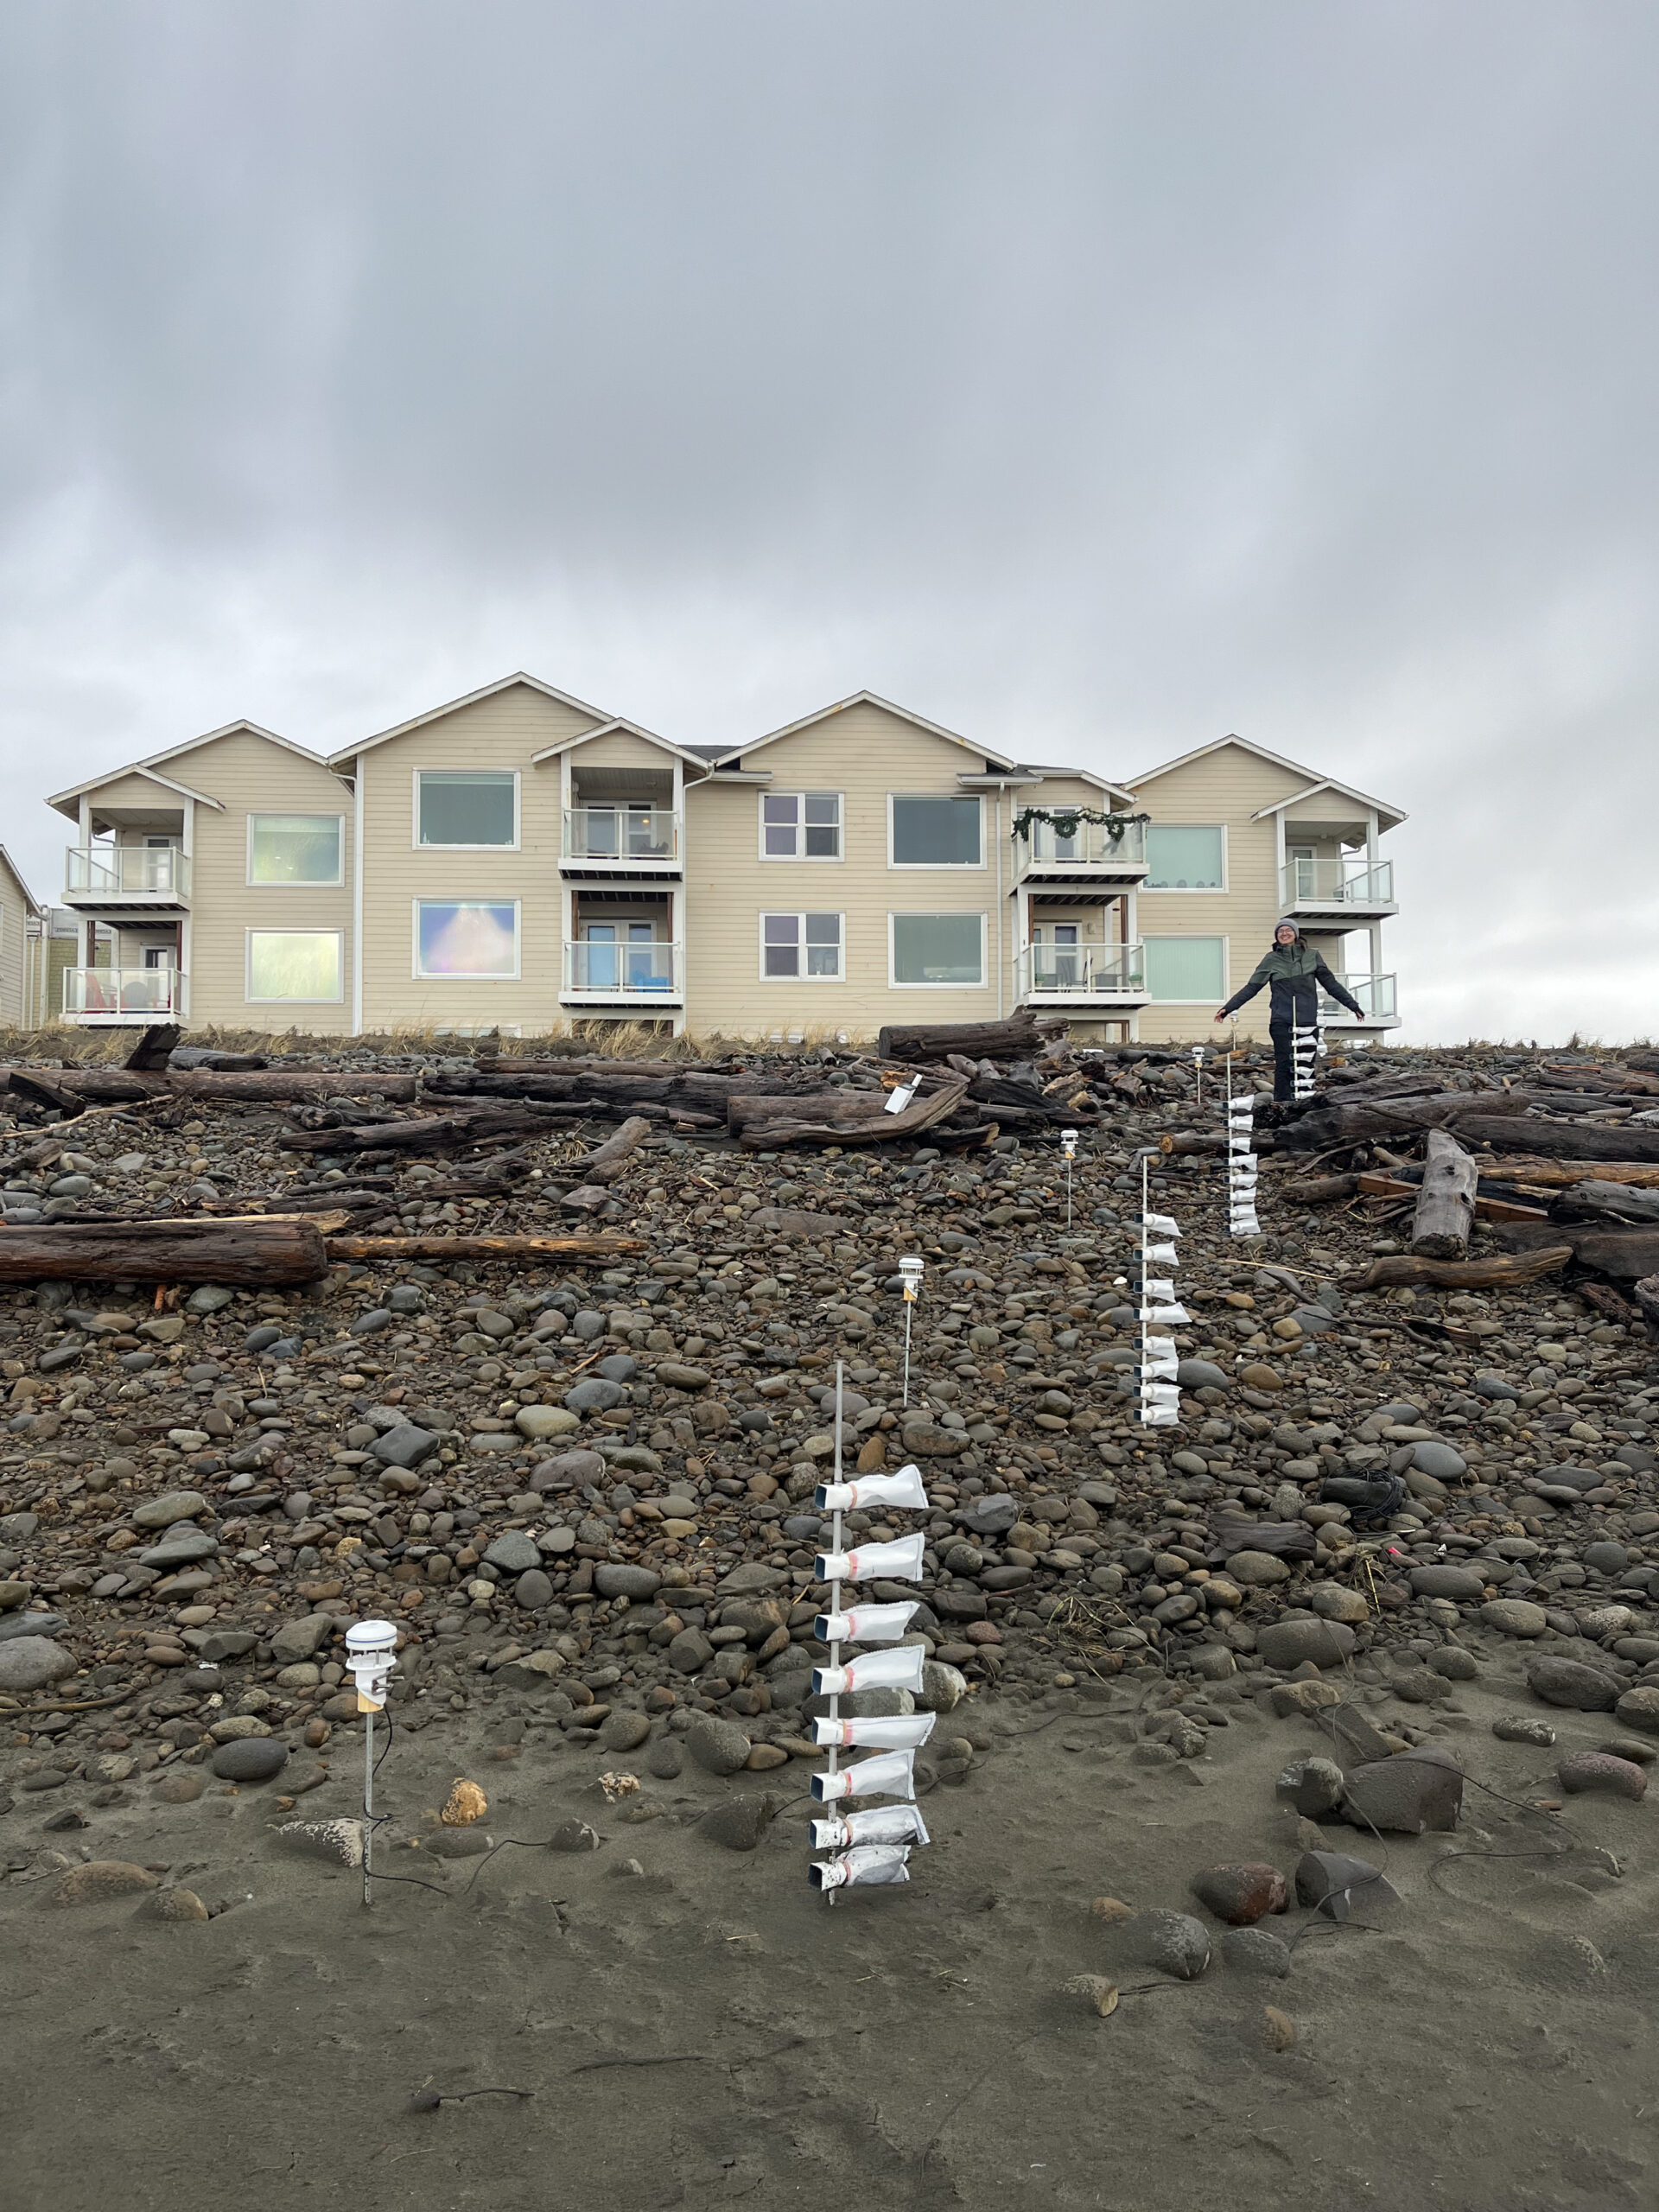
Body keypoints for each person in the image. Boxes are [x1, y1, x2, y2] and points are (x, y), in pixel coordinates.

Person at [1213, 922, 1363, 1101]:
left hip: (1306, 1021)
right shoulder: (1270, 959)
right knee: (1284, 1063)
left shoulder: (1312, 956)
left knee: (1306, 1063)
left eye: (1288, 930)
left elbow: (1331, 985)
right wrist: (1228, 1008)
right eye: (1280, 931)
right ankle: (1282, 1104)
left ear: (1296, 933)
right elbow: (1251, 988)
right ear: (1276, 936)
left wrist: (1353, 1005)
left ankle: (1305, 1104)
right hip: (1281, 1021)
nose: (1284, 933)